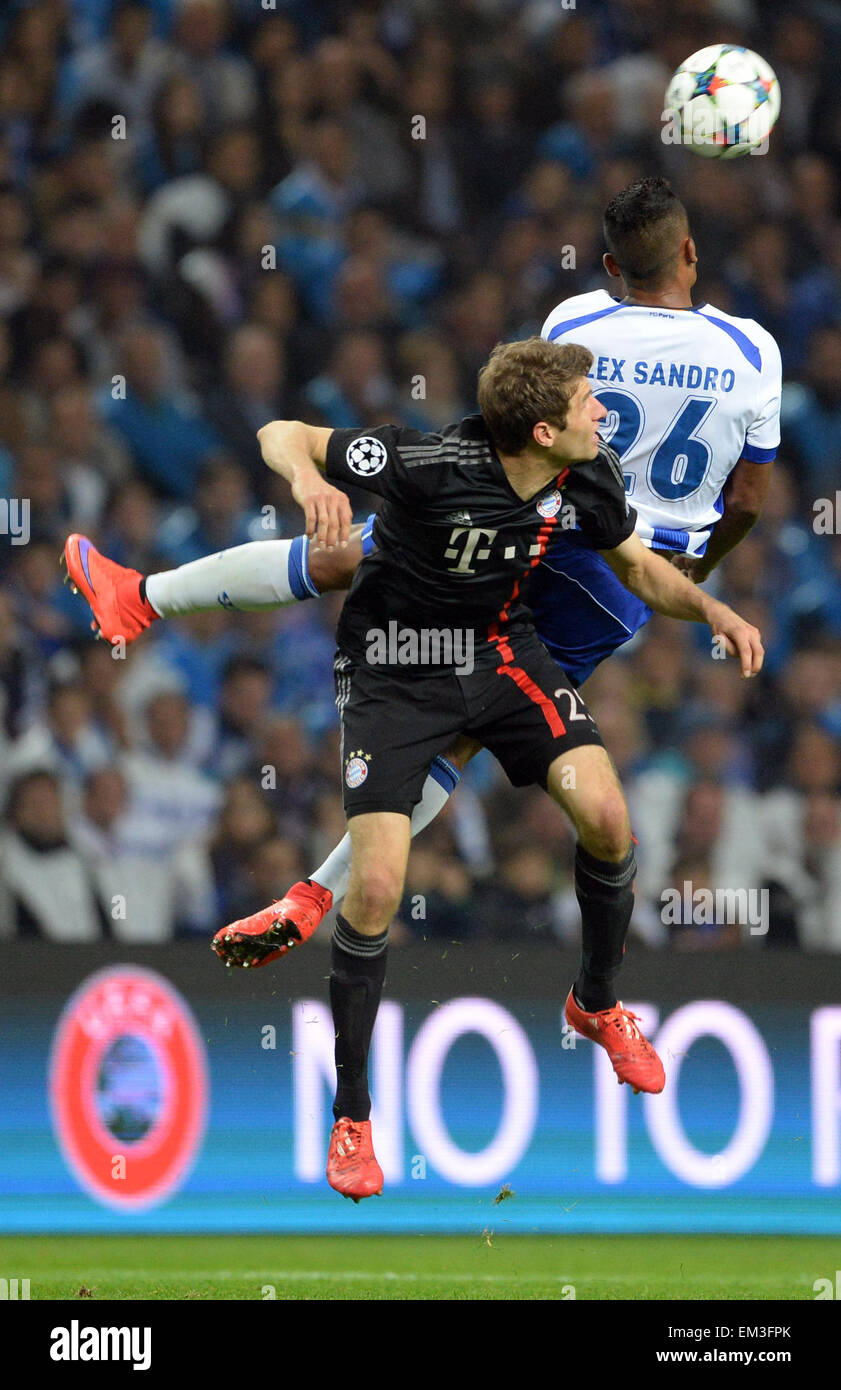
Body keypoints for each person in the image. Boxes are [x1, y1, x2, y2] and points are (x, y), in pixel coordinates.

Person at [61, 179, 780, 960]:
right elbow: (744, 499)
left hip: (539, 521)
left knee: (357, 558)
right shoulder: (752, 351)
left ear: (610, 263)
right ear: (690, 251)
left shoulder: (576, 320)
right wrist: (696, 575)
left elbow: (526, 437)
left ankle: (140, 598)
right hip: (617, 583)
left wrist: (451, 482)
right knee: (463, 731)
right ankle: (315, 894)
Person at [203, 338, 761, 1199]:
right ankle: (352, 1116)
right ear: (541, 430)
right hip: (392, 670)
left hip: (500, 657)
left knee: (609, 820)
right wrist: (310, 482)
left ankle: (596, 1001)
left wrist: (714, 610)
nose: (602, 415)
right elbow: (284, 431)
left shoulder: (585, 470)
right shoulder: (426, 461)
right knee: (380, 888)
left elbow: (640, 570)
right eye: (586, 405)